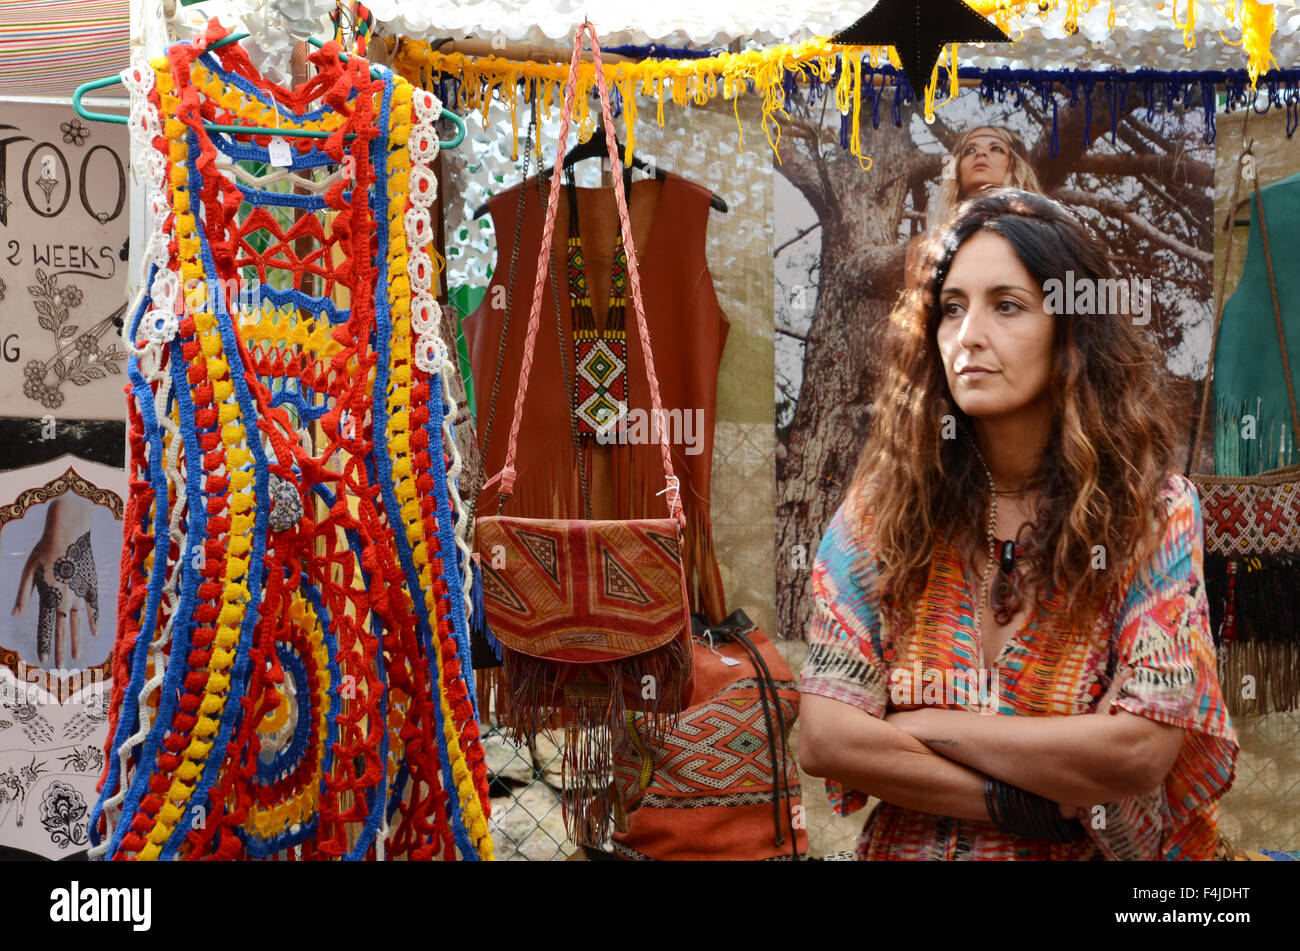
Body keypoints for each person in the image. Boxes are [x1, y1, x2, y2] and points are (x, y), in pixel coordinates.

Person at [798, 188, 1238, 860]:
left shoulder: (1151, 514)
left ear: (1072, 334)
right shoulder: (882, 511)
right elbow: (828, 738)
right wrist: (1021, 799)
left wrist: (915, 725)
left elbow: (1140, 746)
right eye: (951, 308)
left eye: (1007, 305)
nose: (968, 335)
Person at [905, 126, 1044, 289]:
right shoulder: (925, 247)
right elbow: (918, 312)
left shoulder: (1039, 235)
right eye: (969, 150)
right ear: (957, 169)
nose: (980, 154)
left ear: (1013, 165)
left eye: (996, 148)